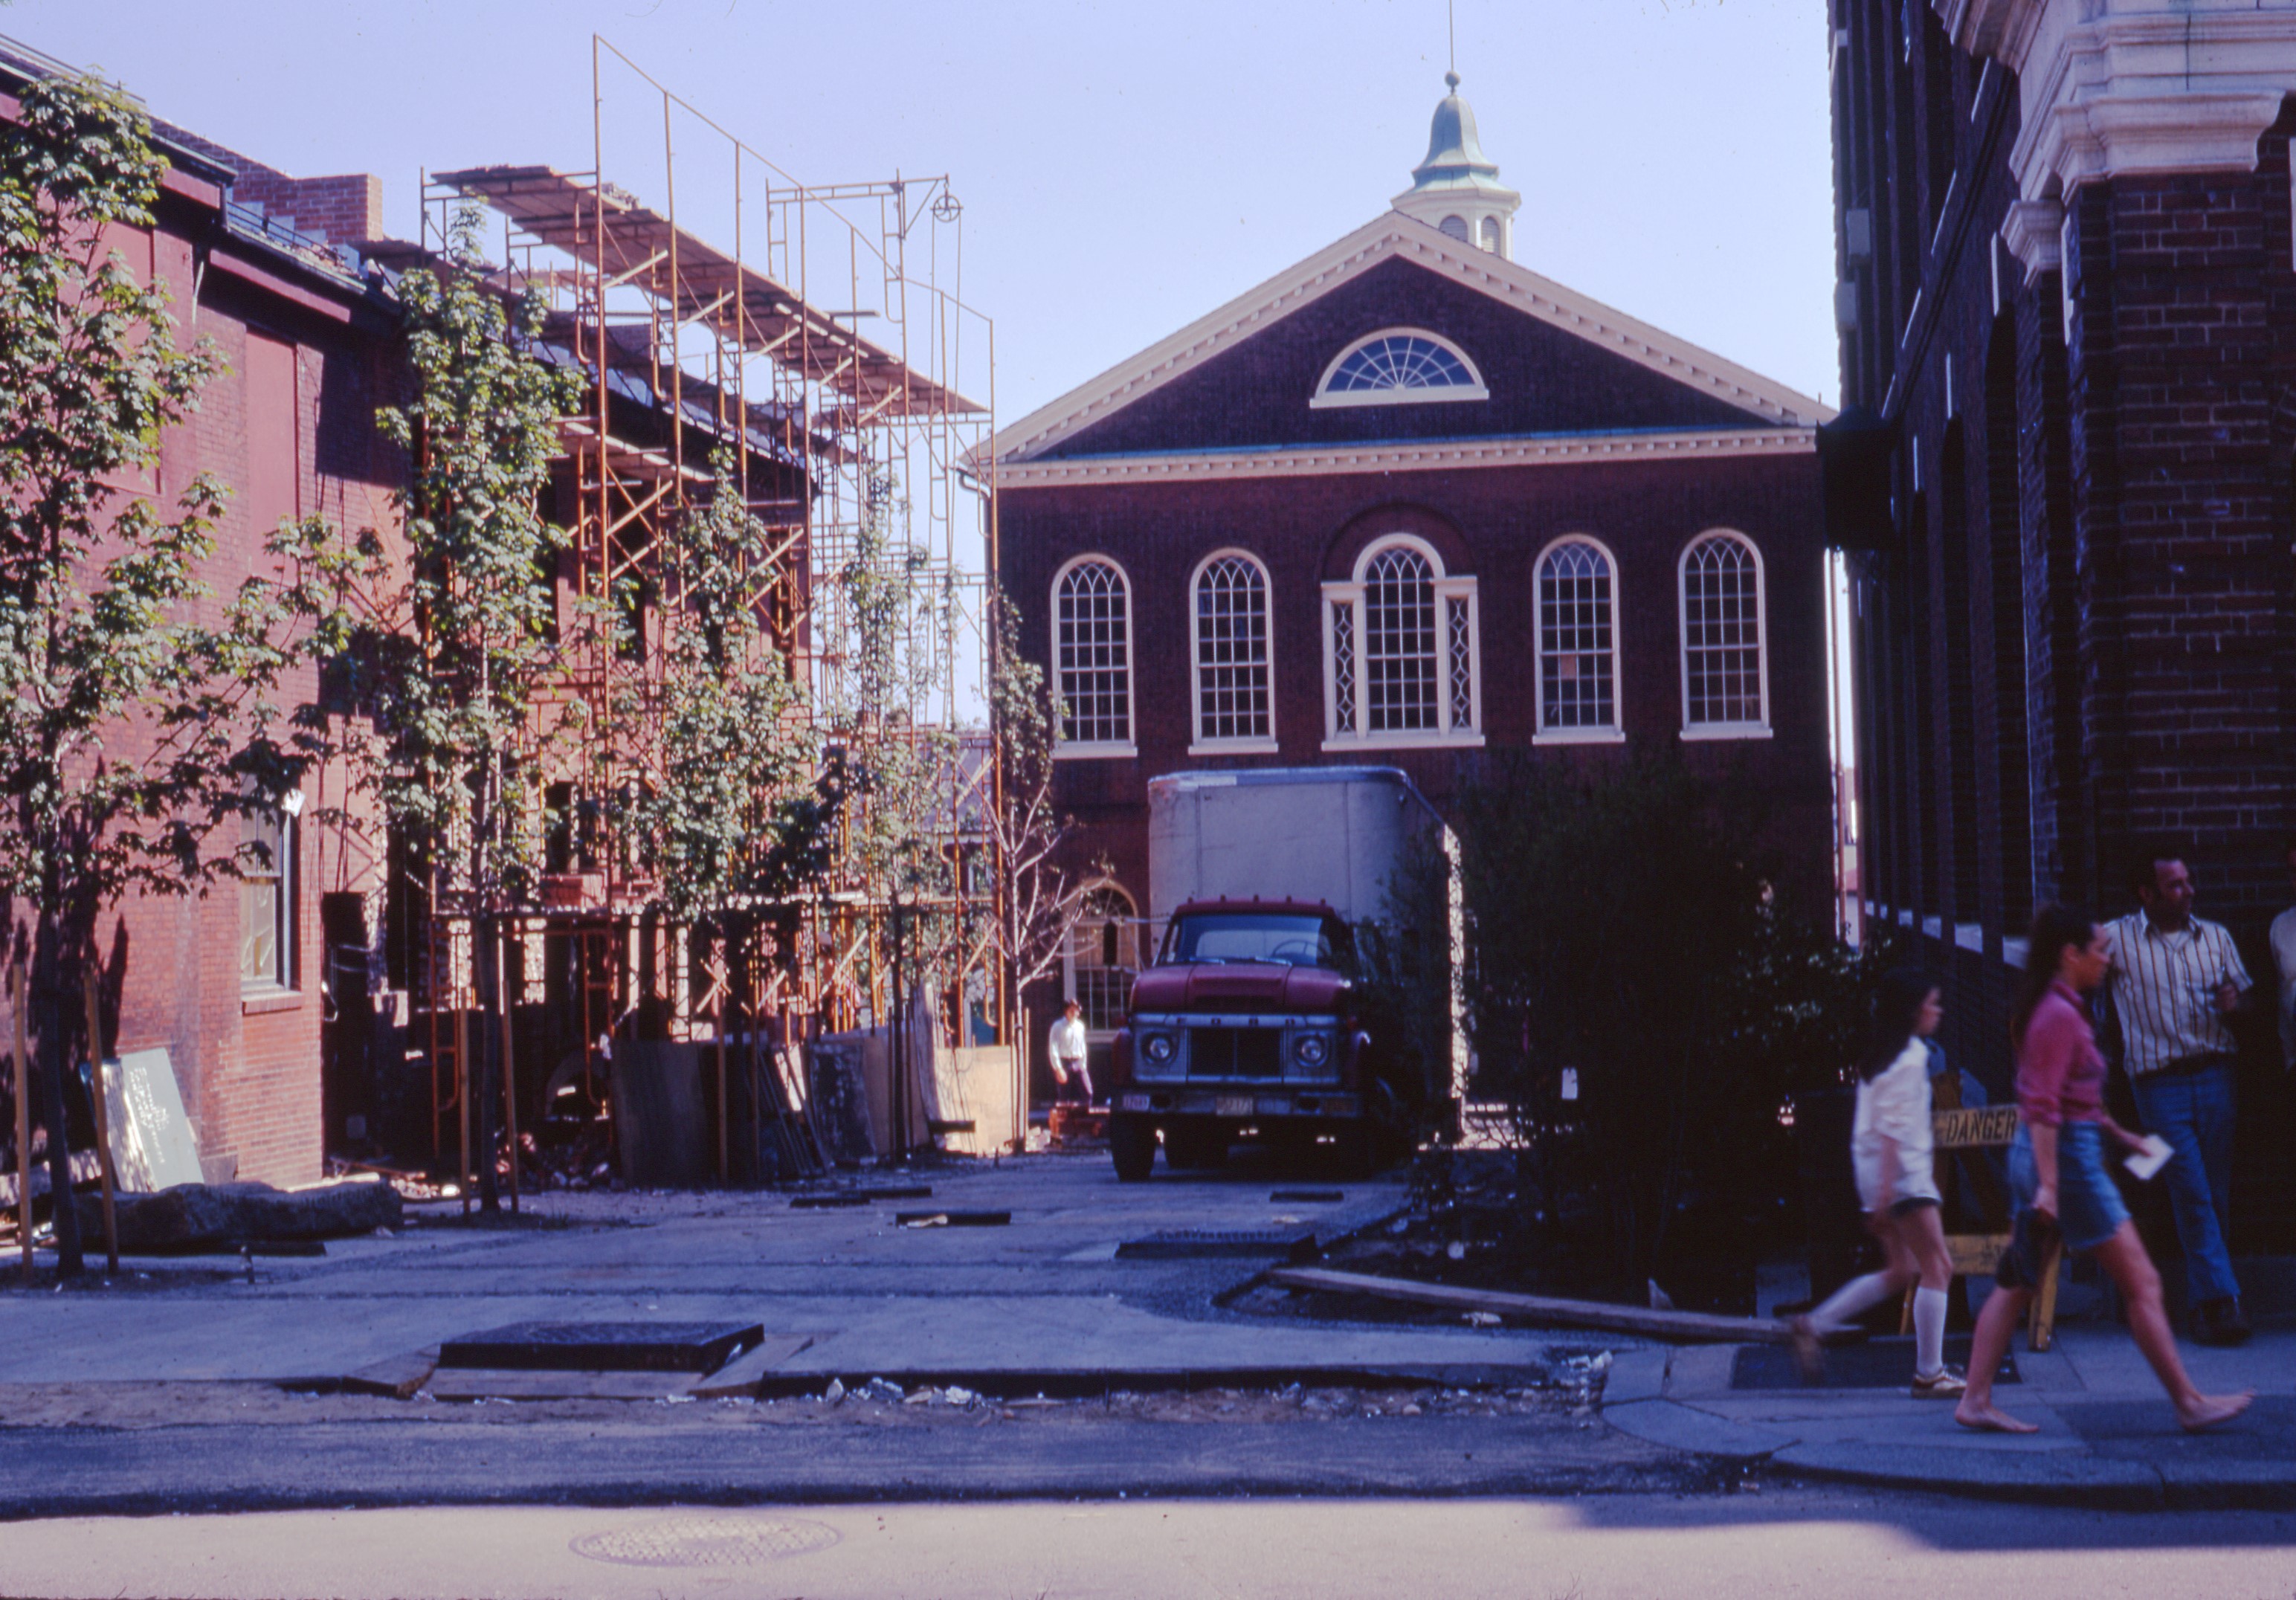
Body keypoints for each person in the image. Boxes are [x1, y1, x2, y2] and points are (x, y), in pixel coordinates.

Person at [1955, 903, 2253, 1434]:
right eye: (2099, 951)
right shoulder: (2060, 1016)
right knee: (2142, 1282)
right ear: (2070, 955)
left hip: (2059, 1158)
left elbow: (2068, 1099)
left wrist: (2121, 1135)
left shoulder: (2058, 1008)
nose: (2106, 959)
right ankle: (2188, 1402)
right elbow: (2044, 1108)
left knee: (2017, 1281)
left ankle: (1975, 1399)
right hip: (2068, 1167)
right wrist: (2050, 1185)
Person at [2101, 844, 2253, 1345]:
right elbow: (2072, 966)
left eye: (2188, 881)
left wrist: (2237, 1004)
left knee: (2212, 1191)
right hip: (2157, 1087)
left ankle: (2202, 1301)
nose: (2188, 891)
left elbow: (2248, 1002)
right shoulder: (2118, 940)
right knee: (2190, 1189)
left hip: (2215, 1077)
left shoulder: (2216, 938)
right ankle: (2223, 1304)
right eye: (2175, 885)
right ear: (2147, 893)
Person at [1788, 968, 1964, 1397]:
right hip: (1905, 1178)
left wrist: (1876, 1193)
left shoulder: (1878, 1059)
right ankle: (1929, 1372)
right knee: (1938, 1266)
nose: (1937, 1011)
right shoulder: (1910, 1059)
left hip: (1877, 1176)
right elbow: (1892, 1131)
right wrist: (1888, 1192)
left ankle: (1814, 1324)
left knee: (1900, 1270)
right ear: (1913, 1011)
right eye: (1932, 1004)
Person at [1048, 997, 1092, 1105]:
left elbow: (1083, 1045)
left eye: (1076, 1011)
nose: (1075, 1013)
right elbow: (1053, 1048)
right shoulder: (1057, 1027)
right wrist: (1058, 1068)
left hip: (1078, 1062)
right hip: (1064, 1063)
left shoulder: (1080, 1026)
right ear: (1066, 1011)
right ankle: (1065, 1120)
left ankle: (1084, 1118)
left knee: (1088, 1092)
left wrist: (1084, 1064)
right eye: (1072, 1011)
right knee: (1064, 1096)